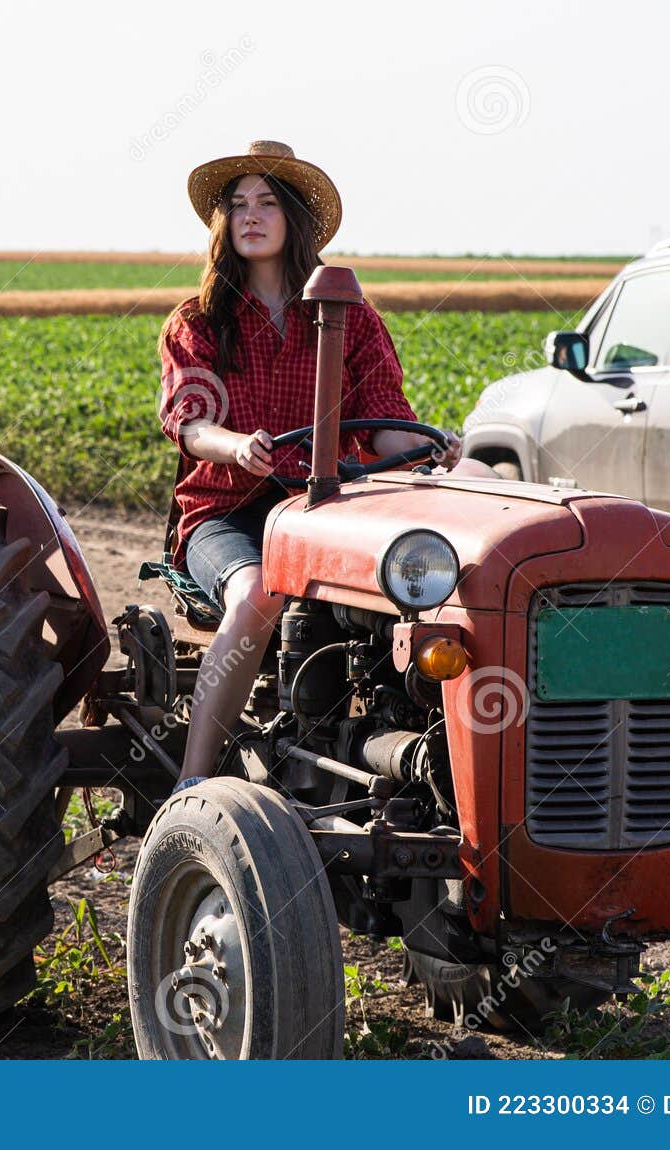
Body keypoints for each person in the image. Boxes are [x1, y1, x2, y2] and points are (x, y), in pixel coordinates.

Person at [157, 140, 492, 794]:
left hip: (326, 507)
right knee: (257, 593)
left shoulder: (350, 319)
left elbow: (387, 425)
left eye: (267, 203)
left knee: (431, 588)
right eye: (238, 204)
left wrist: (435, 453)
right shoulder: (201, 320)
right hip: (228, 509)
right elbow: (190, 422)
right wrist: (236, 445)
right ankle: (190, 781)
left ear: (295, 221)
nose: (249, 216)